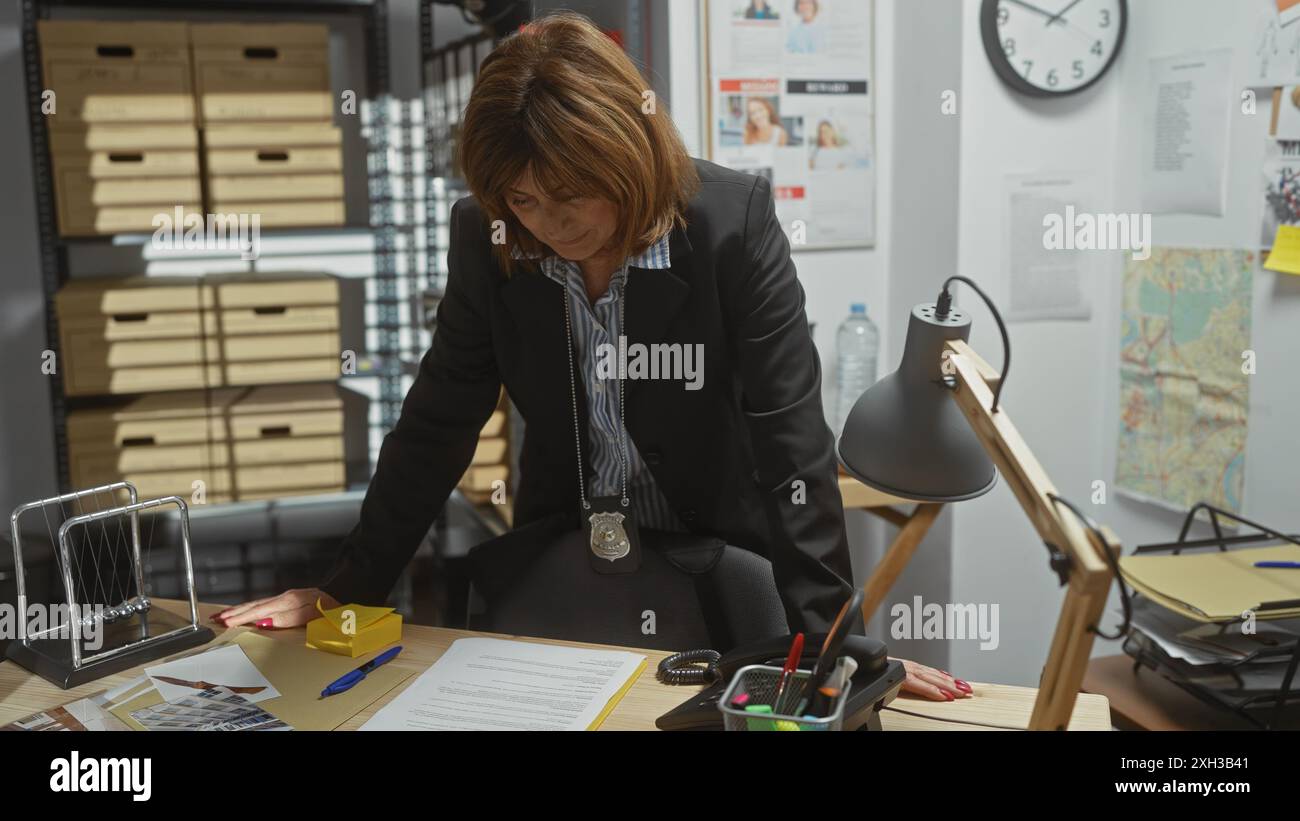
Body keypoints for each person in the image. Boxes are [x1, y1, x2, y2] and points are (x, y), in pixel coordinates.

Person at [215, 11, 970, 703]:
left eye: (571, 193)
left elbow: (792, 443)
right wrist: (349, 591)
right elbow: (438, 420)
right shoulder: (491, 237)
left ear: (625, 151)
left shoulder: (729, 226)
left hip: (723, 571)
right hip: (569, 564)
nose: (551, 224)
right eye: (523, 200)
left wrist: (840, 649)